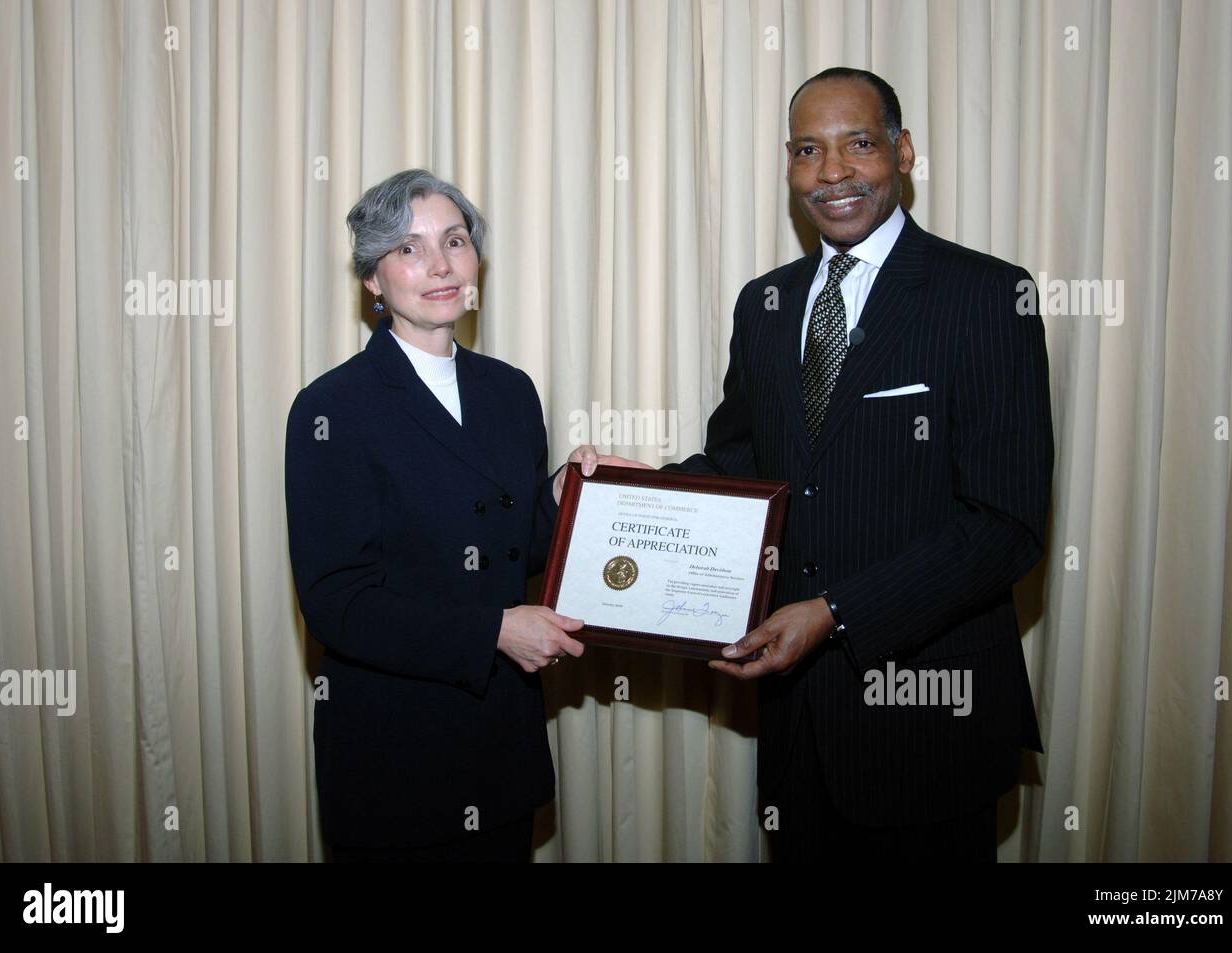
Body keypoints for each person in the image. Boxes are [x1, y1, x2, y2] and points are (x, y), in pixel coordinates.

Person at [676, 68, 1054, 861]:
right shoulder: (765, 303)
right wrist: (628, 498)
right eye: (809, 150)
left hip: (930, 720)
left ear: (902, 151)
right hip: (797, 725)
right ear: (789, 166)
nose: (834, 170)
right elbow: (742, 461)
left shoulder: (987, 295)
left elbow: (1006, 523)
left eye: (859, 144)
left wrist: (835, 612)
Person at [285, 169, 635, 861]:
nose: (440, 264)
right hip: (394, 755)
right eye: (409, 249)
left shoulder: (509, 391)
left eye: (455, 241)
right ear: (373, 281)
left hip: (498, 737)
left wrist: (561, 497)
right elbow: (337, 602)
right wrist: (493, 632)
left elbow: (515, 547)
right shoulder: (333, 409)